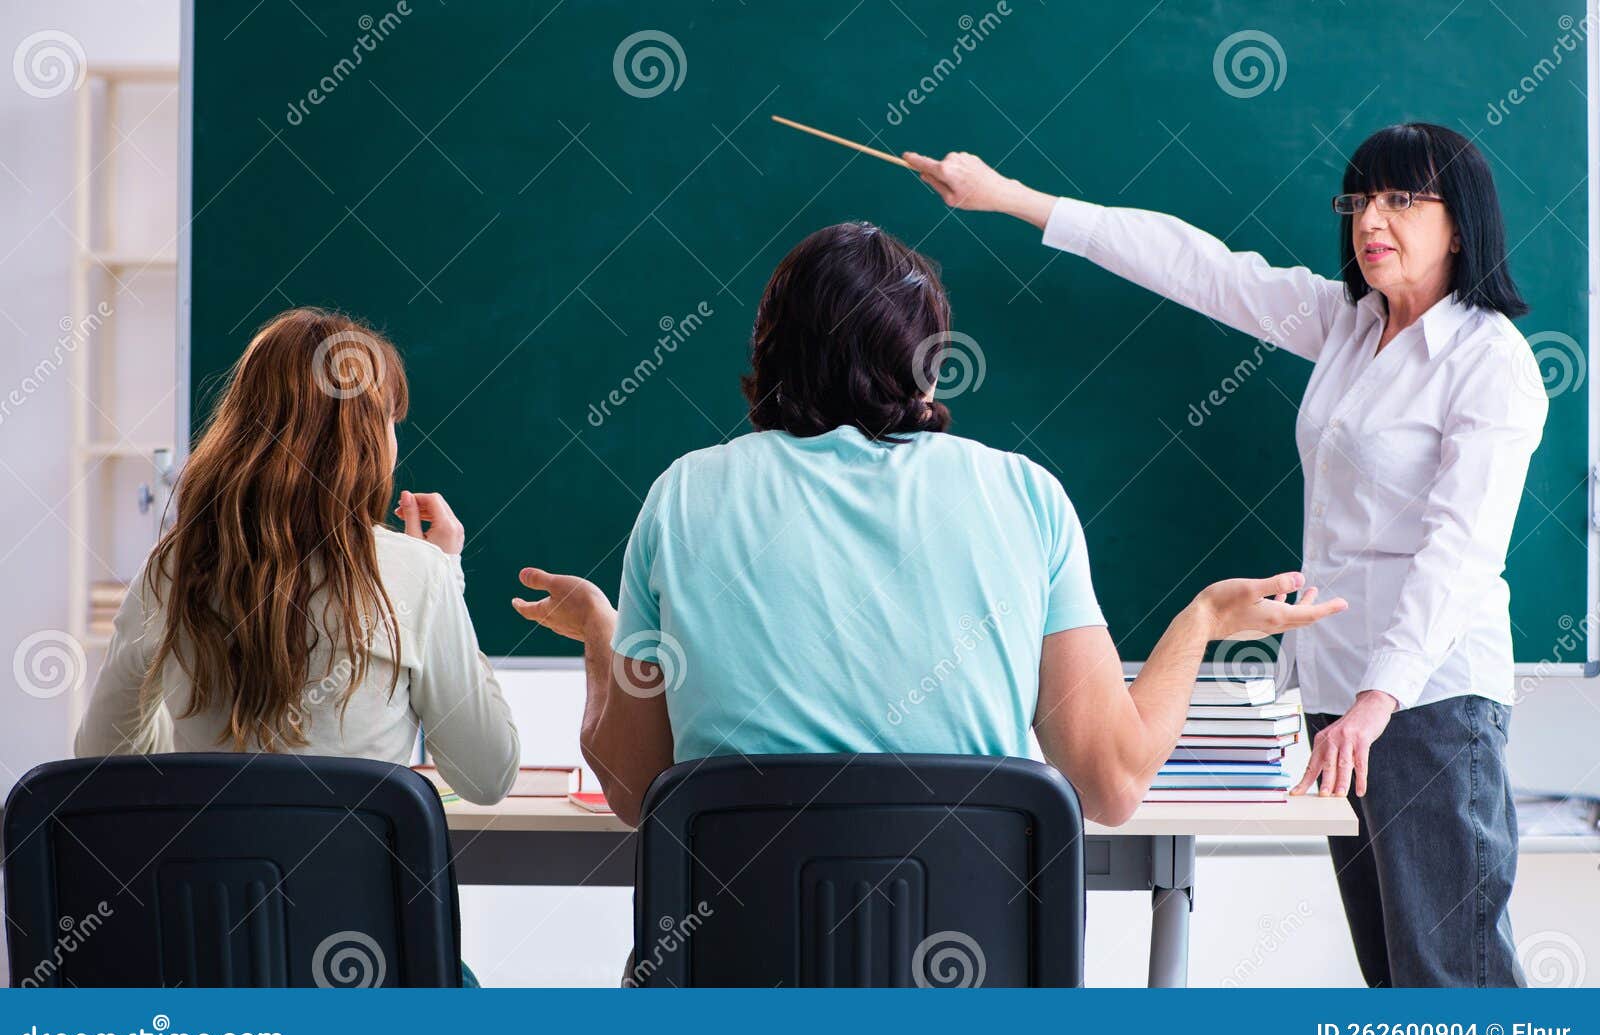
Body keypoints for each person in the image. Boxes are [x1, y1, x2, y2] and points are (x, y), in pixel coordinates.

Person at [901, 122, 1546, 987]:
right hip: (1338, 700)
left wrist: (1377, 701)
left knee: (1454, 986)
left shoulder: (1489, 361)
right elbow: (1198, 267)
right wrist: (1009, 197)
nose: (1370, 221)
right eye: (1359, 200)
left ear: (1461, 224)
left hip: (1427, 703)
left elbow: (1460, 554)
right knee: (1395, 980)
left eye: (1401, 200)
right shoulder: (1350, 325)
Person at [512, 221, 1343, 829]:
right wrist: (1201, 620)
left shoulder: (684, 496)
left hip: (739, 975)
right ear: (929, 365)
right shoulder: (1025, 495)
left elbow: (636, 791)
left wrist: (600, 634)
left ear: (769, 351)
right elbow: (1111, 785)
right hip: (976, 977)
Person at [78, 308, 520, 807]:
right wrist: (446, 575)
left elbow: (102, 760)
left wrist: (189, 722)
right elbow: (487, 778)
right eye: (390, 423)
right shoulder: (419, 574)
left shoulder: (172, 568)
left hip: (206, 860)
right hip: (357, 861)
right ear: (366, 443)